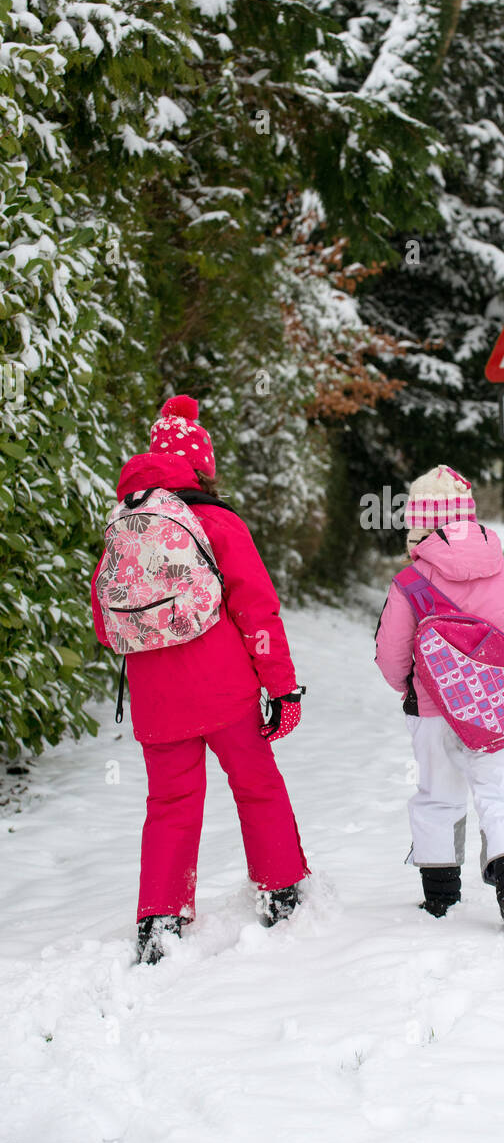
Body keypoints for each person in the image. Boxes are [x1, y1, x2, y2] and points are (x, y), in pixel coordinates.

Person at [90, 395, 308, 964]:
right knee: (256, 784)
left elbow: (103, 622)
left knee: (169, 803)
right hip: (225, 691)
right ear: (202, 468)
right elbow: (257, 609)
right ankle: (281, 890)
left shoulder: (124, 525)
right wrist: (281, 686)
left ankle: (159, 921)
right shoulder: (218, 521)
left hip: (157, 702)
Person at [374, 465, 504, 949]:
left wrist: (413, 689)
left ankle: (440, 898)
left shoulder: (408, 583)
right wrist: (503, 667)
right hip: (497, 713)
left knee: (438, 799)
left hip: (433, 715)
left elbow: (392, 659)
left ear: (418, 524)